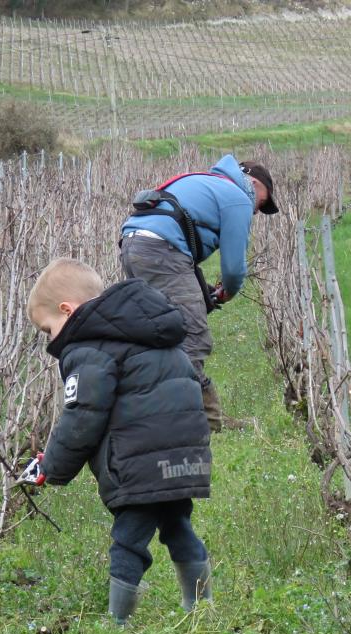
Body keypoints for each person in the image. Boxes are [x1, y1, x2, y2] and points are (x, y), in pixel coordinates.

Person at [24, 258, 213, 624]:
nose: (51, 340)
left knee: (128, 540)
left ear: (68, 310)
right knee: (177, 525)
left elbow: (82, 416)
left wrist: (51, 467)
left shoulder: (89, 348)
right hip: (184, 454)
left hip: (138, 461)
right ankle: (202, 610)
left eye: (48, 329)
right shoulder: (148, 330)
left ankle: (117, 624)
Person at [119, 154, 278, 431]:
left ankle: (151, 411)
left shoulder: (203, 180)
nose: (257, 211)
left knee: (157, 330)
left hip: (132, 245)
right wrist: (228, 290)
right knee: (192, 334)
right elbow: (233, 267)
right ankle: (195, 421)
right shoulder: (238, 197)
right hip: (161, 250)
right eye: (263, 202)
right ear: (253, 183)